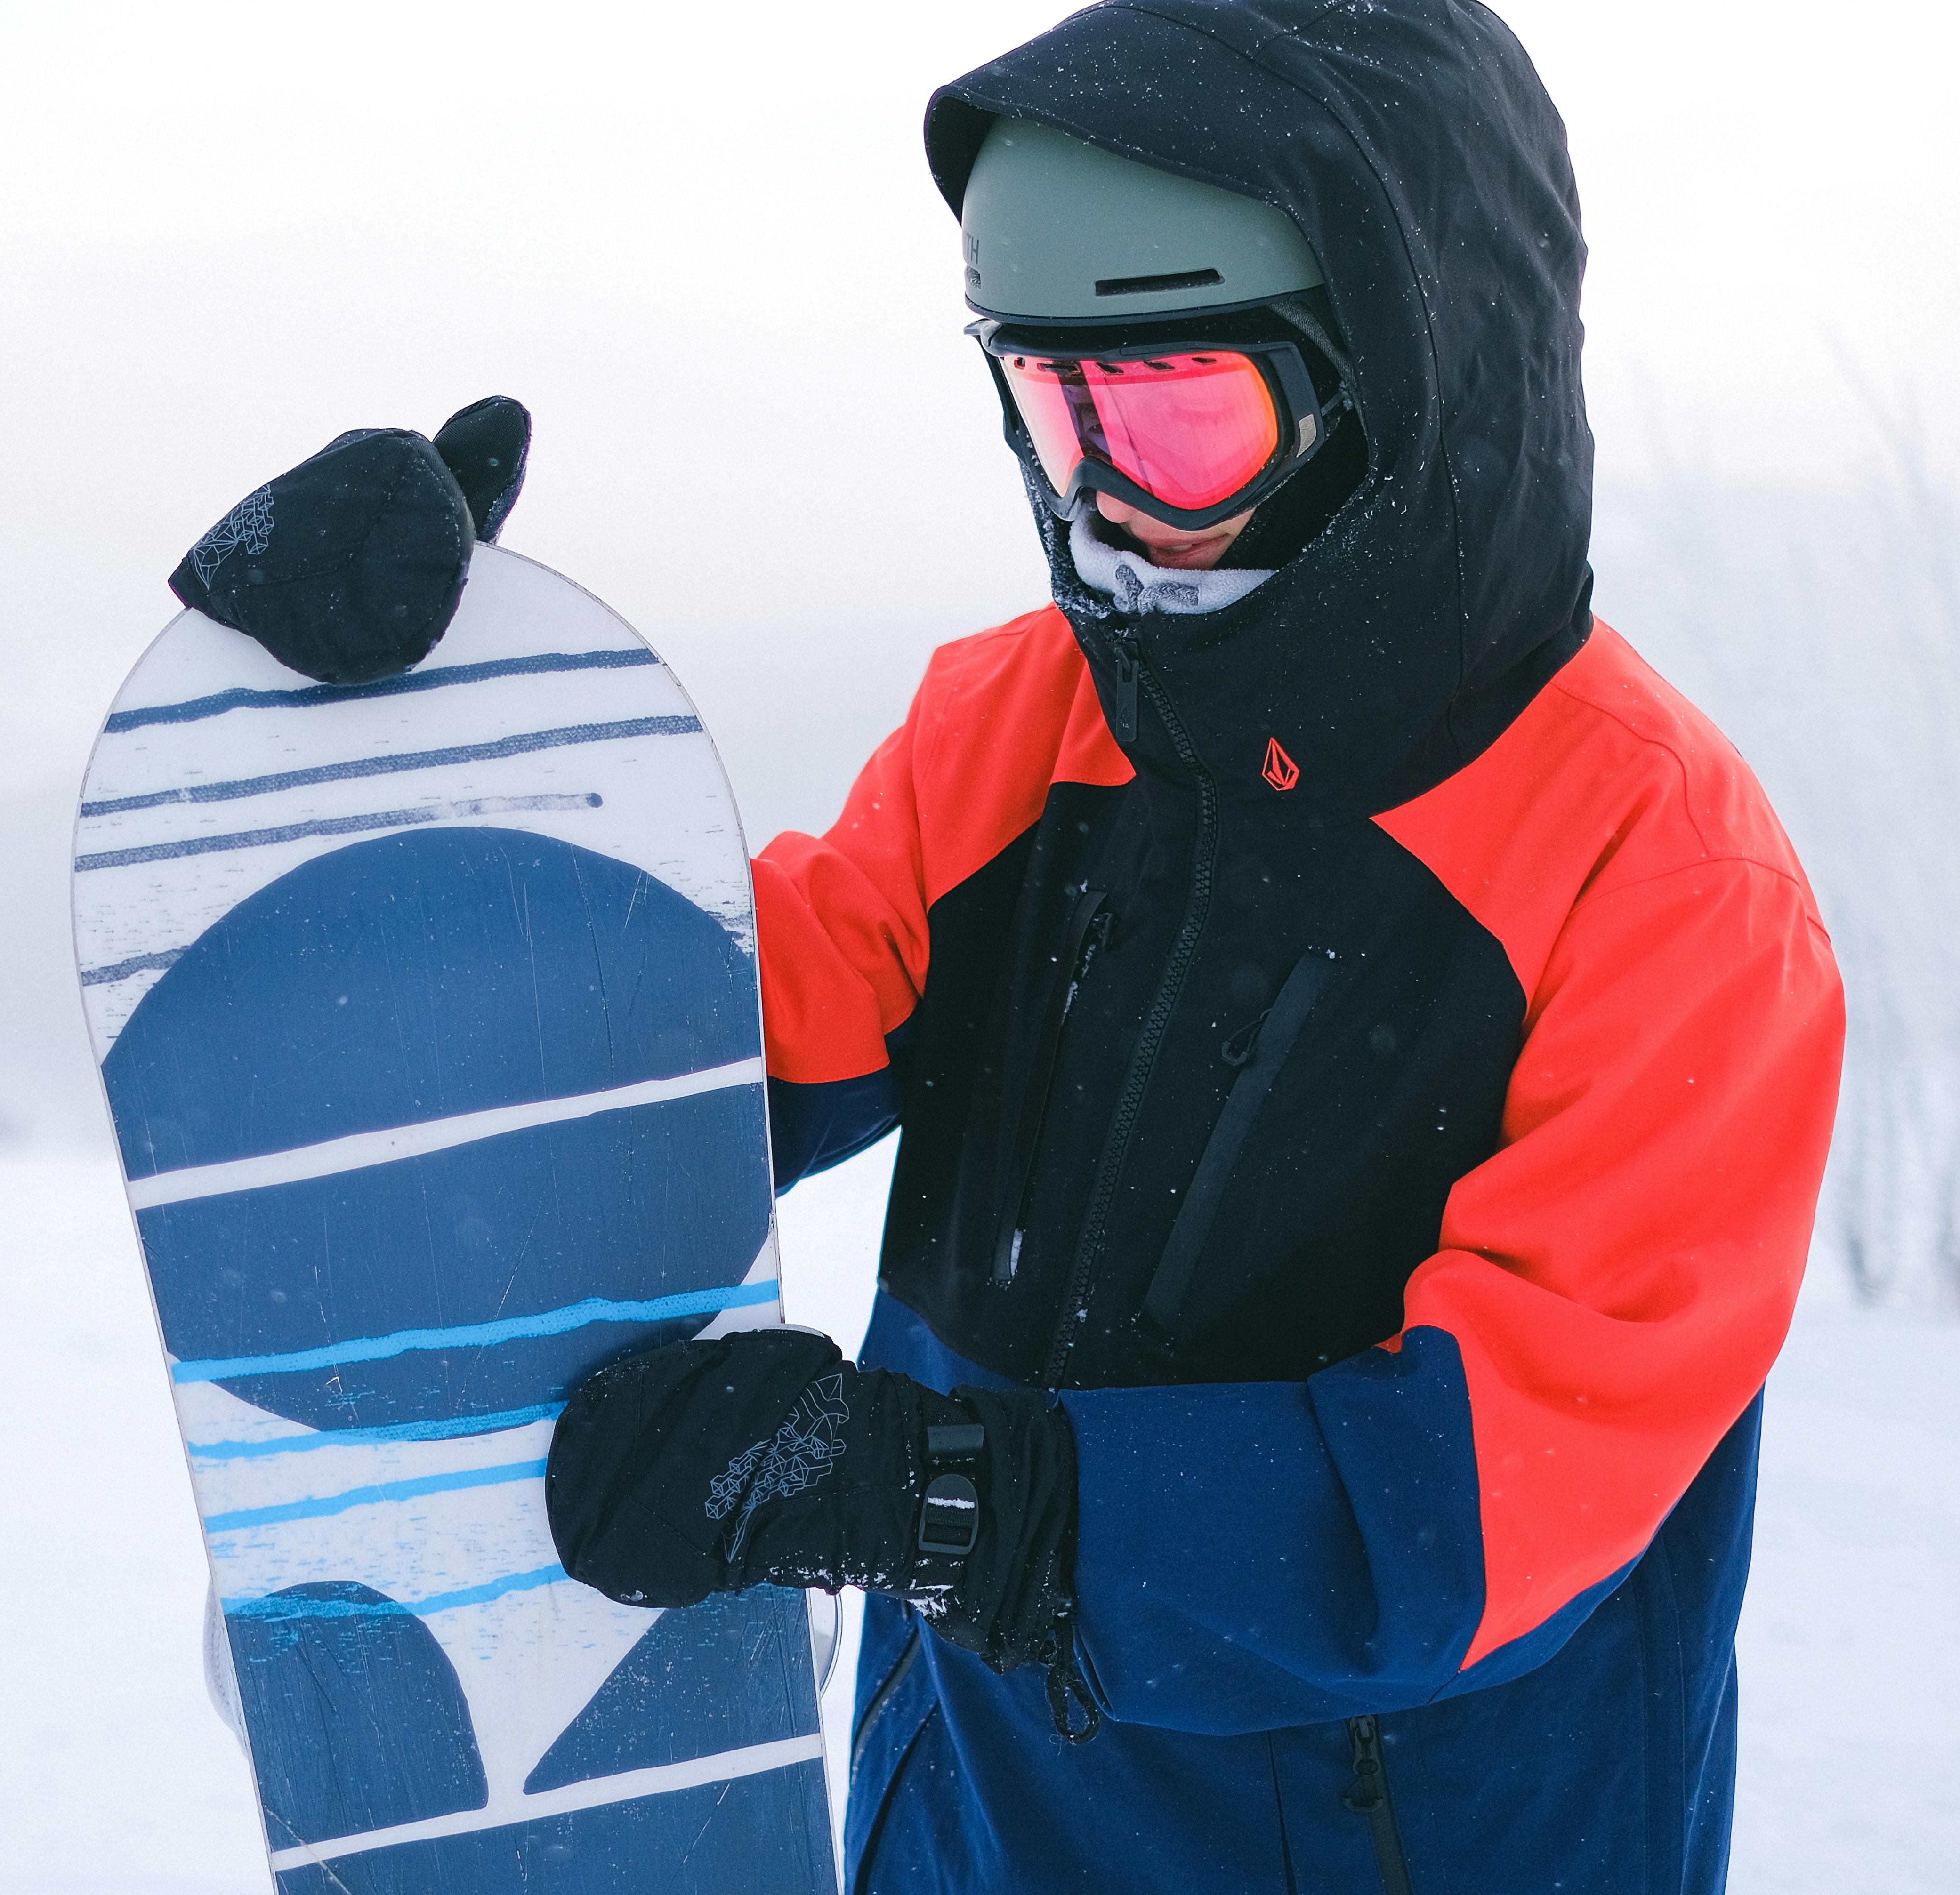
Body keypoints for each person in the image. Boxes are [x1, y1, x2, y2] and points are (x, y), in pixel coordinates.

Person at [166, 3, 1843, 1888]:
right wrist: (409, 745)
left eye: (1180, 419)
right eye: (1058, 414)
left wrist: (934, 1494)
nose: (1105, 510)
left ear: (1412, 375)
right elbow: (705, 1045)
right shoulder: (1028, 724)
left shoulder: (1665, 885)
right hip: (968, 1820)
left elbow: (1456, 1504)